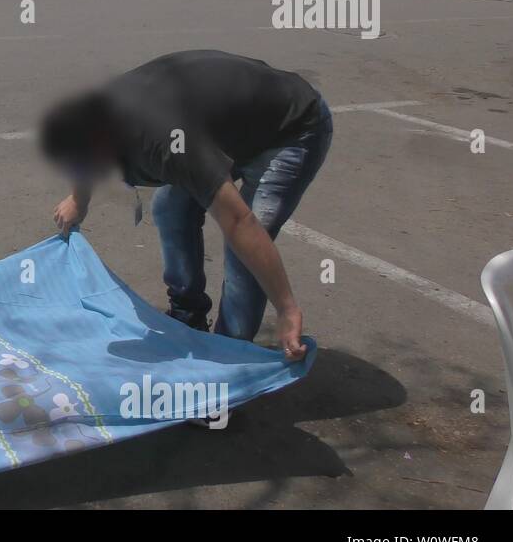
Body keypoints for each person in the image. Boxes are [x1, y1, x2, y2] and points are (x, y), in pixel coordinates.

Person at [40, 50, 334, 362]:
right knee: (170, 208)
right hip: (233, 124)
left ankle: (229, 360)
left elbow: (239, 222)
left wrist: (286, 308)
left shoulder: (165, 144)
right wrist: (78, 200)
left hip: (292, 129)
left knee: (243, 250)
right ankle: (188, 314)